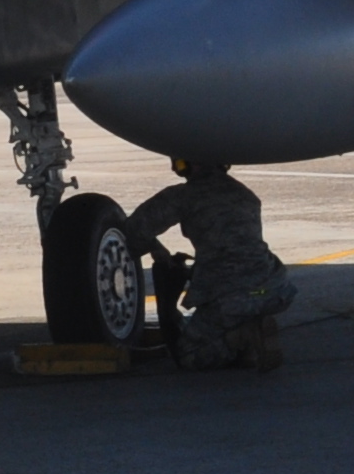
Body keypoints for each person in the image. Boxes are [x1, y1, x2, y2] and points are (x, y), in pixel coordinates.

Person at [123, 159, 293, 372]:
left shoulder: (184, 195)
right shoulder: (245, 194)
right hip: (274, 288)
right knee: (233, 313)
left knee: (190, 355)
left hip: (231, 295)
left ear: (187, 165)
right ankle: (249, 341)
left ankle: (243, 337)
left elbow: (135, 228)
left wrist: (157, 250)